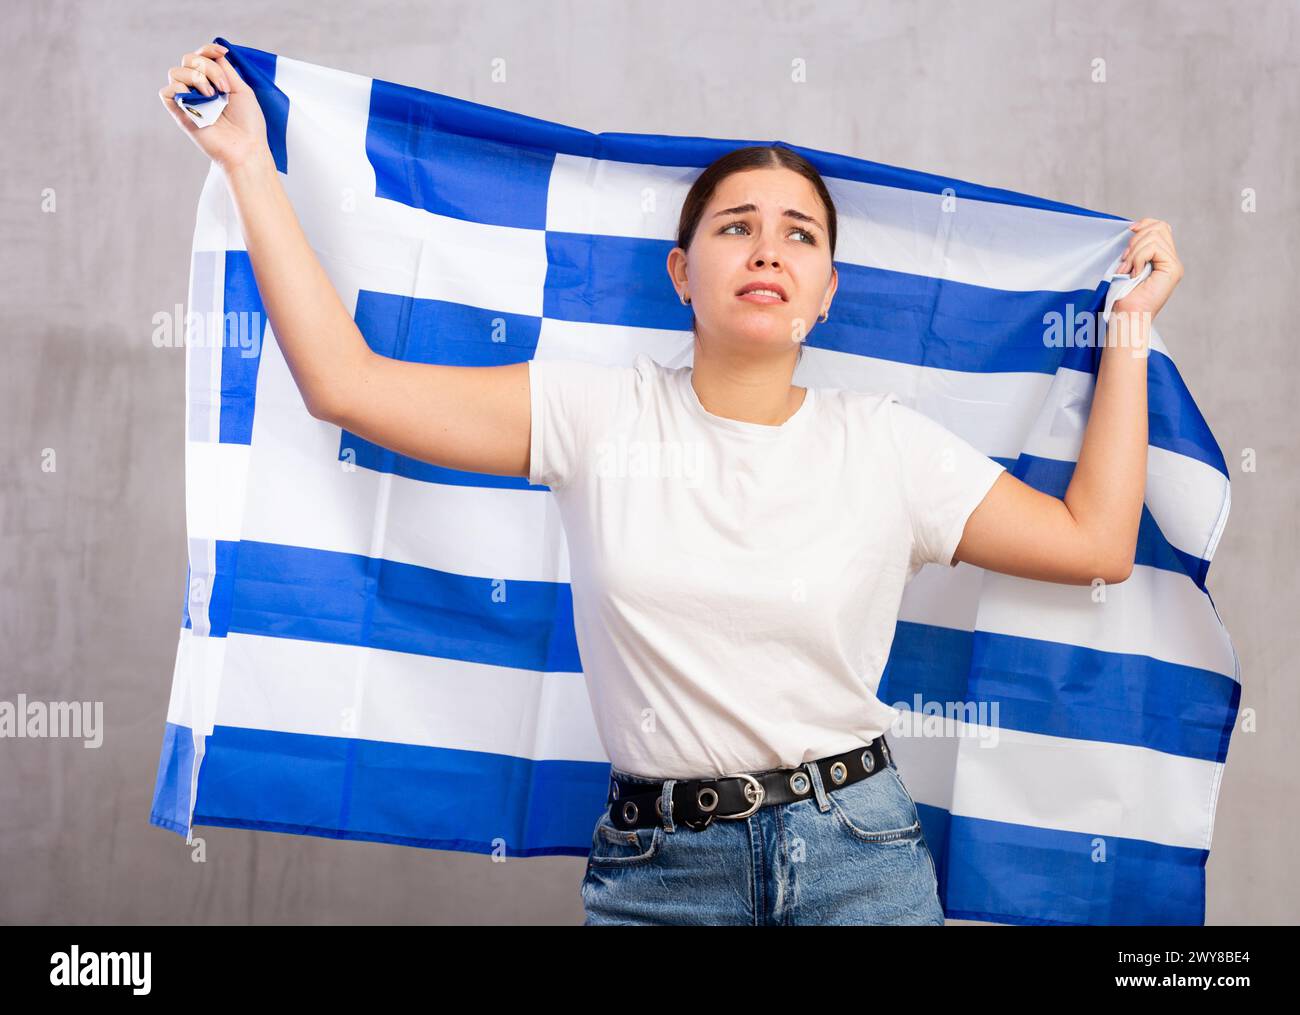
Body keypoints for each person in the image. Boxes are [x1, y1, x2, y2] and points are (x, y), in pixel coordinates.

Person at [160, 42, 1184, 926]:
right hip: (660, 872)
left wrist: (1127, 336)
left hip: (857, 857)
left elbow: (1094, 542)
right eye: (735, 225)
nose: (767, 250)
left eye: (799, 233)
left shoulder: (887, 447)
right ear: (681, 272)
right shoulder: (593, 413)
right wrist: (249, 160)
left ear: (826, 295)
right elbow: (346, 385)